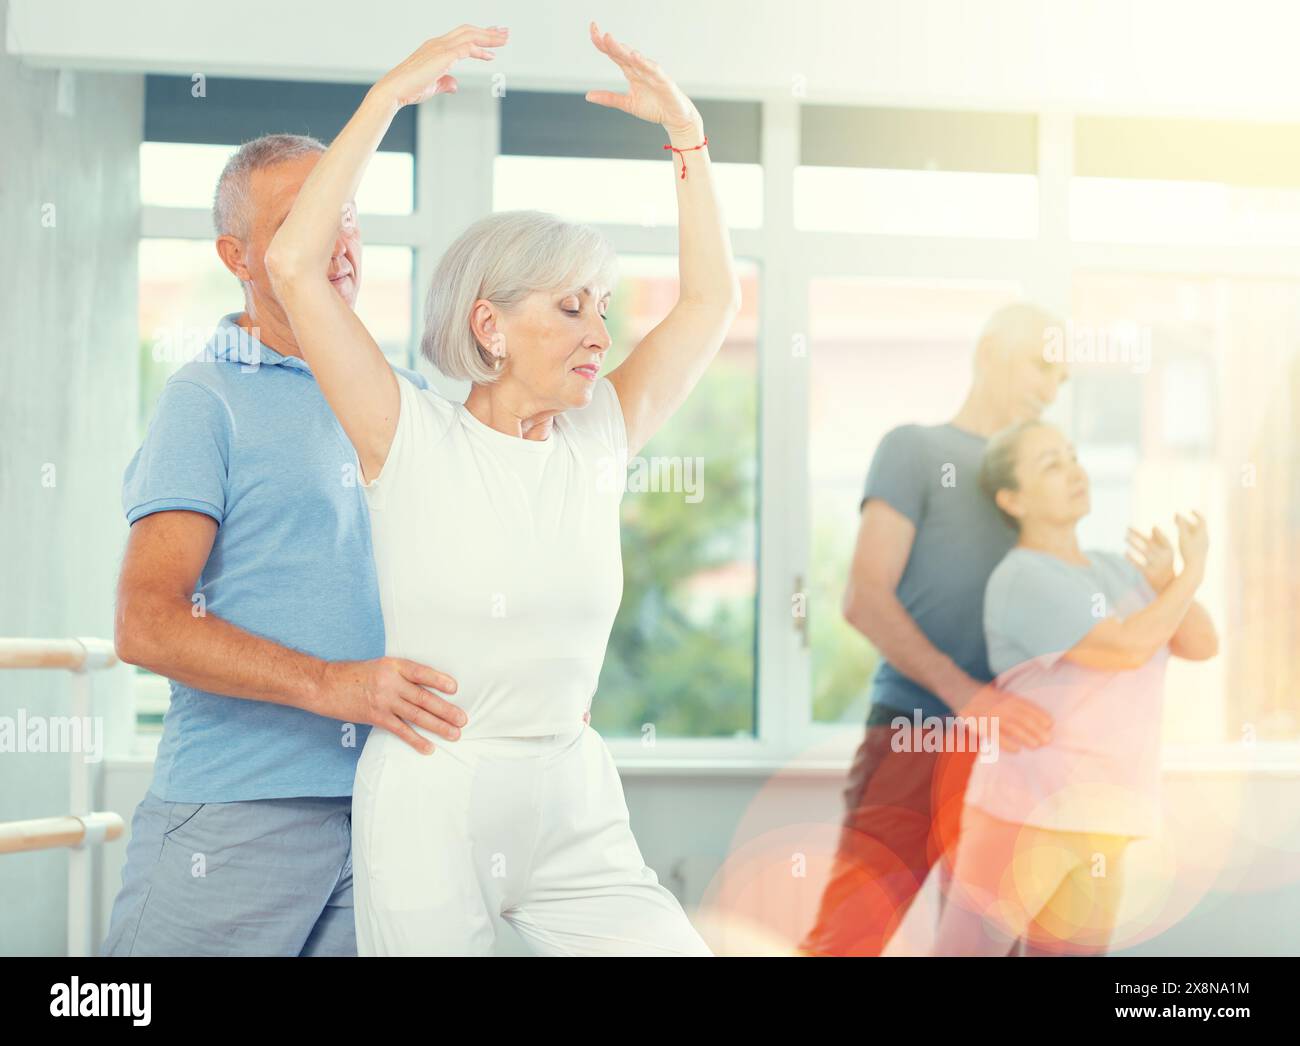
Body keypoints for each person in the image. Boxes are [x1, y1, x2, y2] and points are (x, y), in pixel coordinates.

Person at [264, 22, 740, 956]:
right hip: (433, 794)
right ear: (490, 324)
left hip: (571, 788)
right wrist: (386, 98)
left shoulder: (600, 434)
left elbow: (711, 302)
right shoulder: (406, 433)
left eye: (601, 307)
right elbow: (292, 265)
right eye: (570, 308)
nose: (598, 332)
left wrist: (688, 138)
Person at [102, 134, 466, 957]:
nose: (332, 242)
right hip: (235, 817)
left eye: (345, 216)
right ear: (236, 254)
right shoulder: (207, 398)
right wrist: (335, 686)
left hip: (382, 810)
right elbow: (146, 625)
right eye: (297, 219)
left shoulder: (404, 397)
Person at [801, 303, 1067, 956]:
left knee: (982, 945)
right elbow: (865, 599)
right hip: (916, 733)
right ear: (991, 352)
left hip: (1013, 750)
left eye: (1063, 377)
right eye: (1042, 364)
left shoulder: (1044, 480)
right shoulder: (915, 449)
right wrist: (969, 697)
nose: (1052, 387)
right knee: (849, 937)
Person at [932, 420, 1217, 955]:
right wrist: (1191, 573)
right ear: (1012, 499)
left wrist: (1166, 582)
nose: (1073, 471)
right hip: (1024, 815)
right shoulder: (1023, 577)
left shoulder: (1115, 570)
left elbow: (1201, 643)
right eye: (1050, 464)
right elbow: (1127, 647)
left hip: (1104, 820)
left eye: (1071, 455)